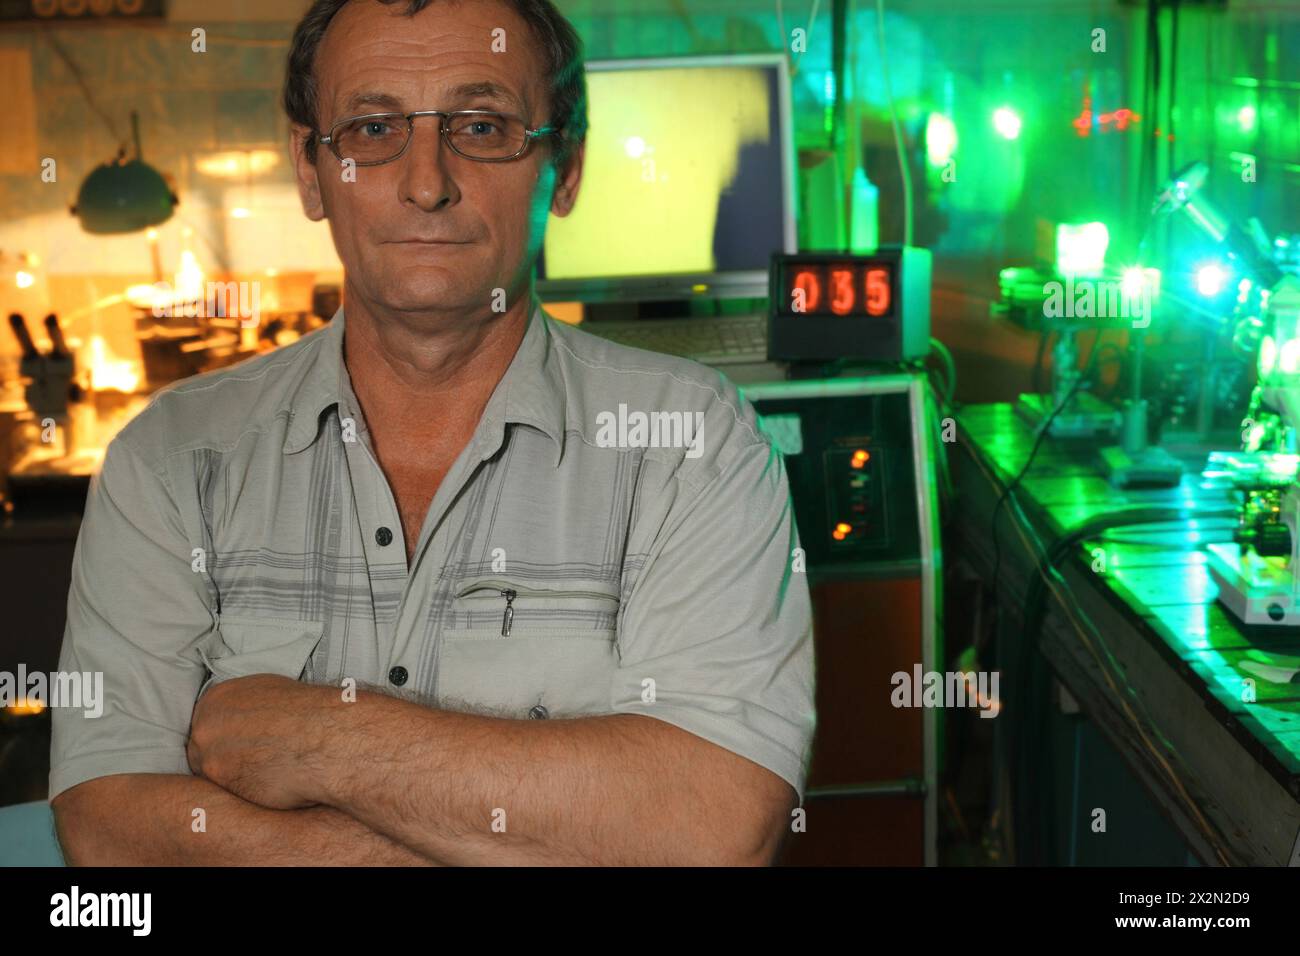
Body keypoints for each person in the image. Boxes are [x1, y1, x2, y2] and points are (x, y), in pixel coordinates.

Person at [49, 0, 815, 866]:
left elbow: (713, 826)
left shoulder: (696, 447)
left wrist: (315, 737)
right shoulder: (168, 461)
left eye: (482, 126)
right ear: (310, 168)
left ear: (563, 170)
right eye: (372, 128)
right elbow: (106, 826)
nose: (425, 182)